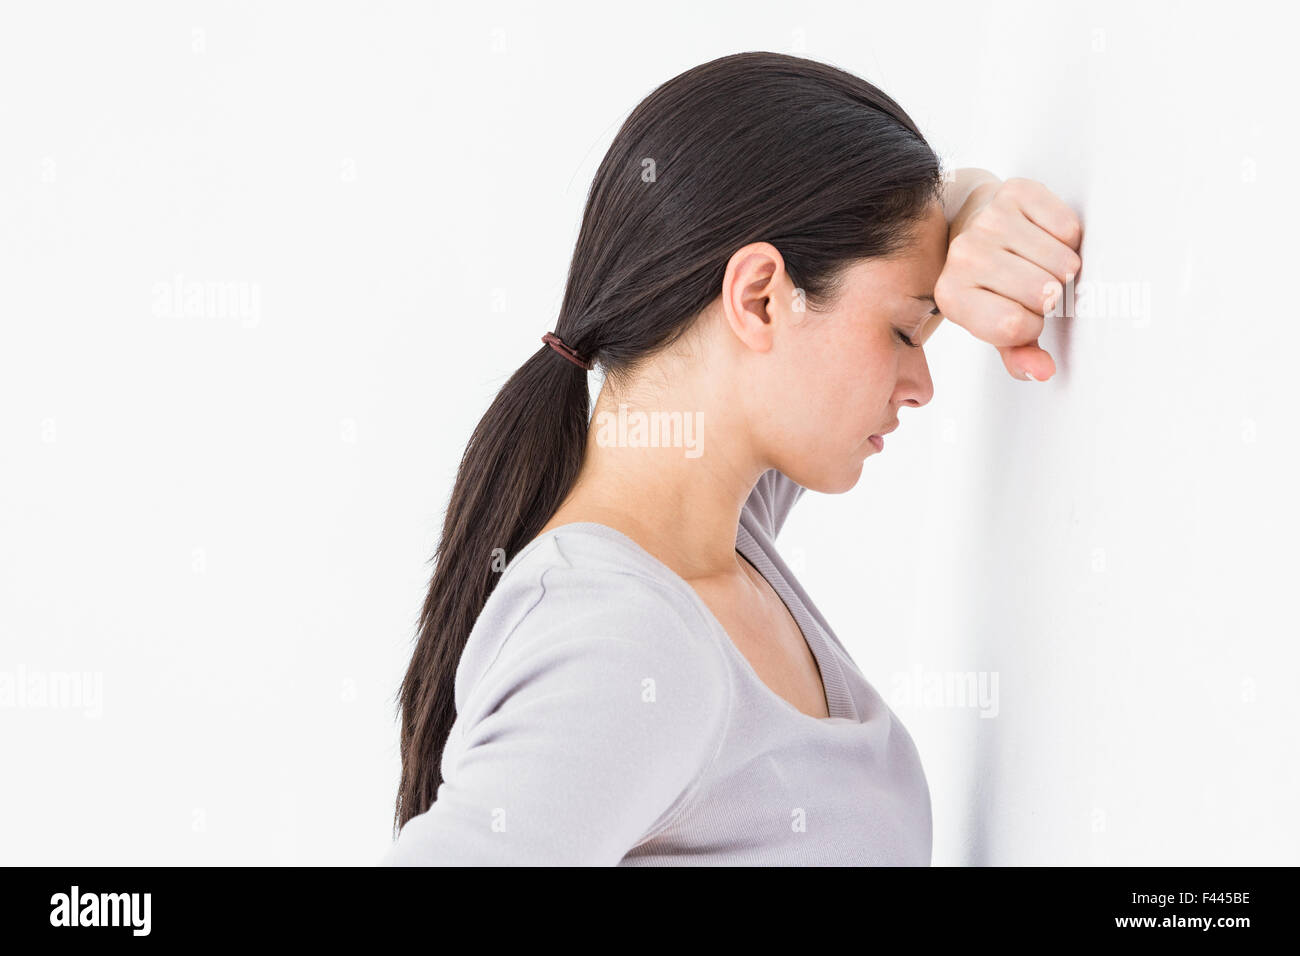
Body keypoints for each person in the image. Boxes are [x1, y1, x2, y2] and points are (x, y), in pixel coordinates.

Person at [385, 51, 1082, 865]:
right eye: (901, 331)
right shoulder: (620, 638)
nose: (920, 384)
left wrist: (973, 207)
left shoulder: (714, 526)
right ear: (760, 297)